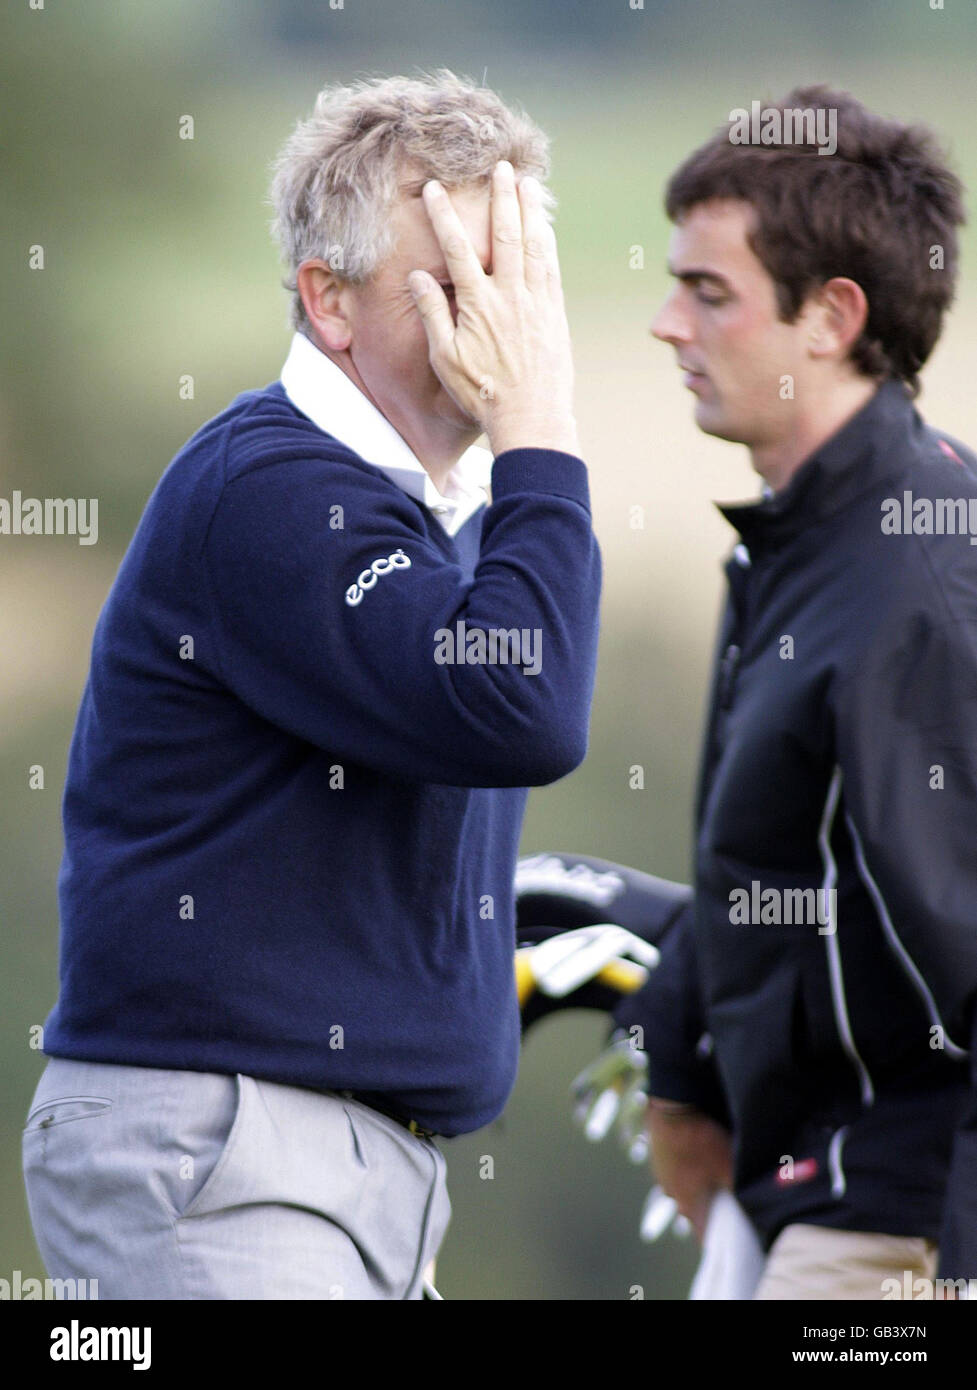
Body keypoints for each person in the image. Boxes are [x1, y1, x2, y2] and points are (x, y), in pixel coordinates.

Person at [22, 71, 601, 1301]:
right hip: (221, 1153)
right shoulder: (278, 491)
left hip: (355, 1174)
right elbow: (523, 705)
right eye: (451, 276)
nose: (497, 317)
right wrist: (538, 424)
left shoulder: (450, 515)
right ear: (327, 303)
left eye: (512, 275)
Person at [588, 85, 977, 1299]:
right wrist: (673, 1062)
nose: (665, 325)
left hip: (893, 1233)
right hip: (810, 1204)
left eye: (708, 293)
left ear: (830, 317)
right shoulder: (805, 541)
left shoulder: (917, 583)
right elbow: (761, 861)